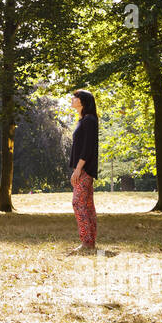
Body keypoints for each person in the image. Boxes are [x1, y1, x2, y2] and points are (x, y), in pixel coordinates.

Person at [68, 89, 100, 253]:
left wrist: (78, 169)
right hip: (82, 168)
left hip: (84, 169)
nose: (72, 99)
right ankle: (90, 242)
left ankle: (87, 242)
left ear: (83, 101)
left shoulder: (89, 120)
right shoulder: (84, 120)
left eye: (76, 97)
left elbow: (87, 148)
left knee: (79, 203)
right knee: (87, 205)